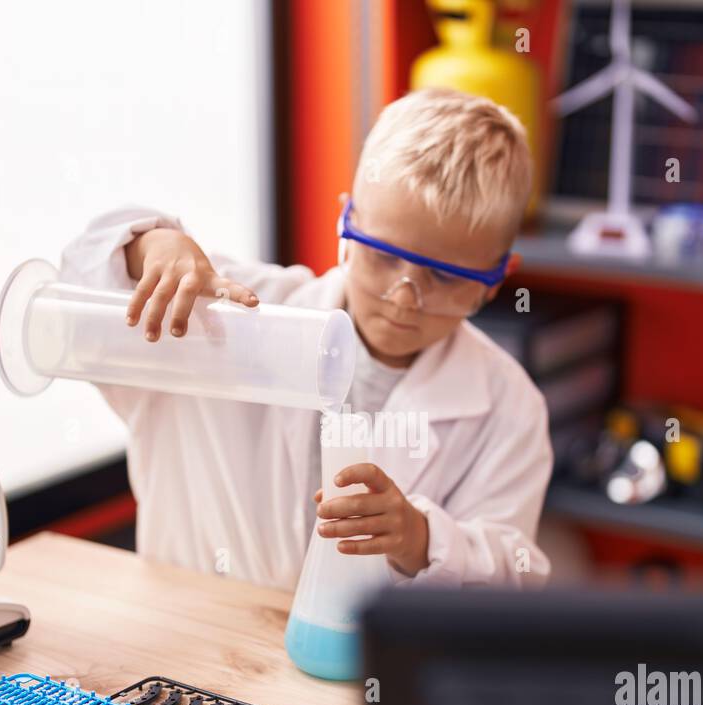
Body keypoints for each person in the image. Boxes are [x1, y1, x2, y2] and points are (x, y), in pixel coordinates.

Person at [60, 88, 552, 590]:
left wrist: (422, 539)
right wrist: (151, 245)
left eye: (444, 276)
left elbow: (513, 574)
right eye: (382, 254)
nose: (404, 297)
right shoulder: (226, 315)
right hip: (188, 642)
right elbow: (72, 305)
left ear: (496, 278)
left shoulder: (510, 407)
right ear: (346, 222)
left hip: (363, 667)